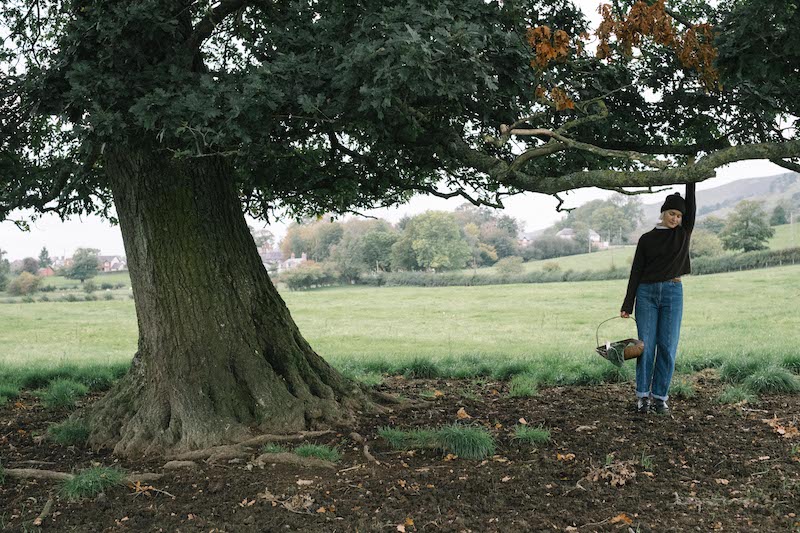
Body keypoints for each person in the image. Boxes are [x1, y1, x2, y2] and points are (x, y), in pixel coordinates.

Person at [621, 183, 696, 415]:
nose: (675, 218)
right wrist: (627, 303)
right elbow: (636, 271)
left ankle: (660, 398)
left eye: (679, 215)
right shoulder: (646, 239)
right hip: (646, 294)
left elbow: (691, 206)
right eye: (672, 213)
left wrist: (690, 178)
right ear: (663, 213)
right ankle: (643, 397)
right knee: (646, 346)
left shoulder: (683, 234)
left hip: (673, 293)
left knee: (667, 346)